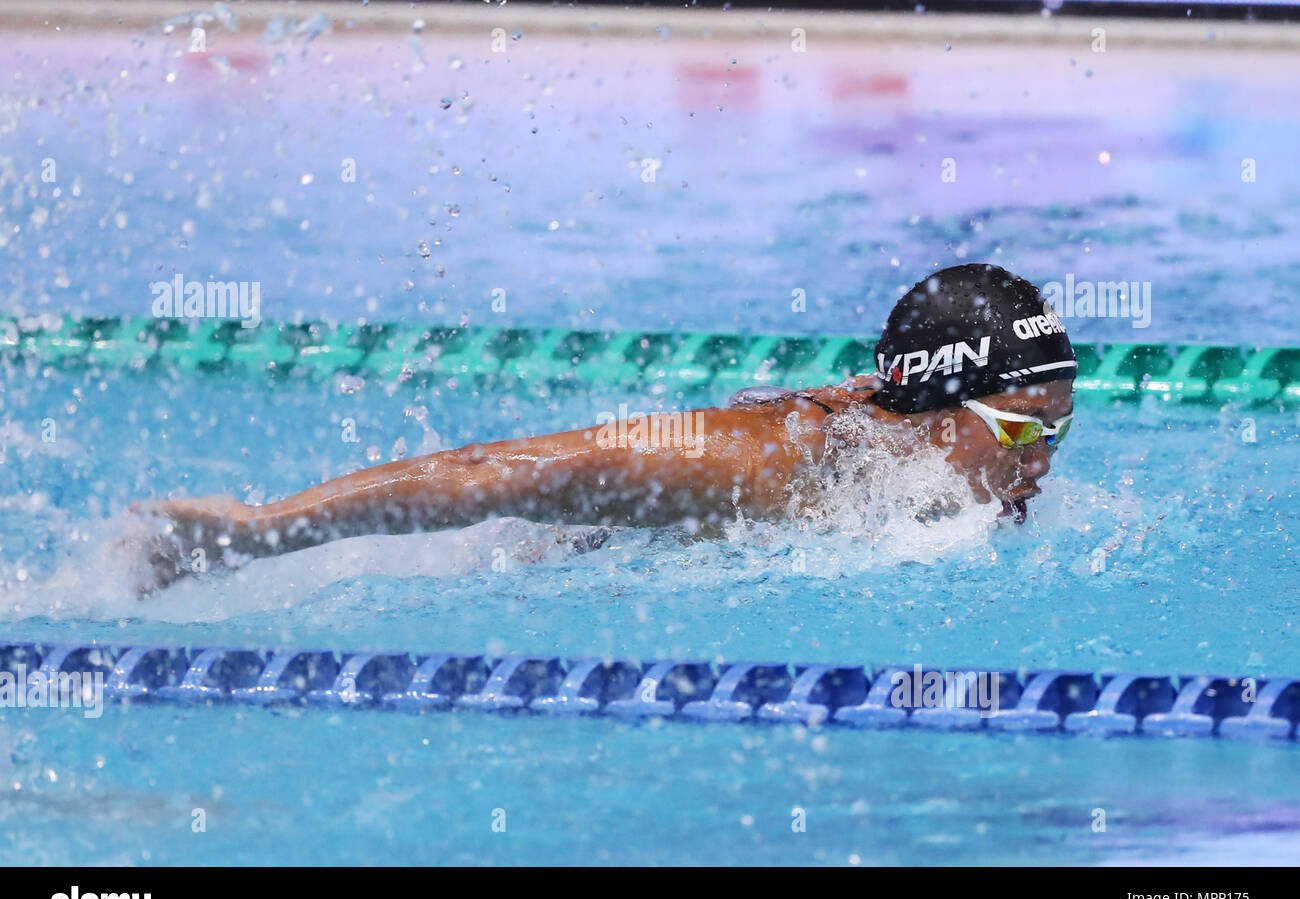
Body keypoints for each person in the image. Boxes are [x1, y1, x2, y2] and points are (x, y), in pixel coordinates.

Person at [129, 263, 1076, 591]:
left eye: (1060, 436)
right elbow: (498, 471)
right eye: (1028, 432)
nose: (1043, 464)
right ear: (938, 411)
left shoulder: (916, 448)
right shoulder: (762, 465)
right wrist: (258, 532)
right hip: (525, 568)